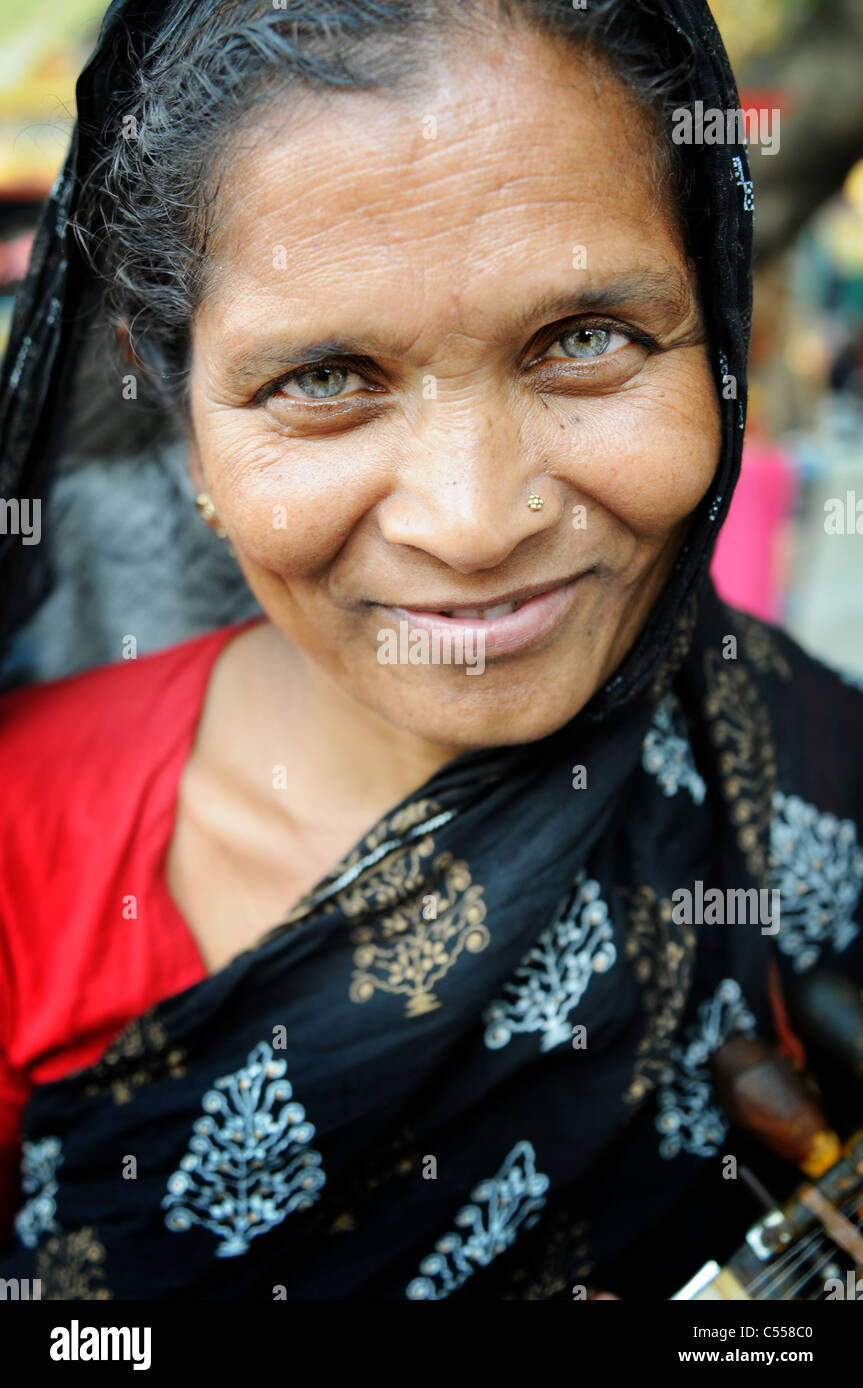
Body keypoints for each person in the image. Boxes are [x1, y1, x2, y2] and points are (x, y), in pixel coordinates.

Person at [0, 0, 861, 1302]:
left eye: (586, 342)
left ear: (720, 323)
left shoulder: (814, 772)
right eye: (324, 377)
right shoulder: (23, 840)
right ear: (173, 404)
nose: (472, 523)